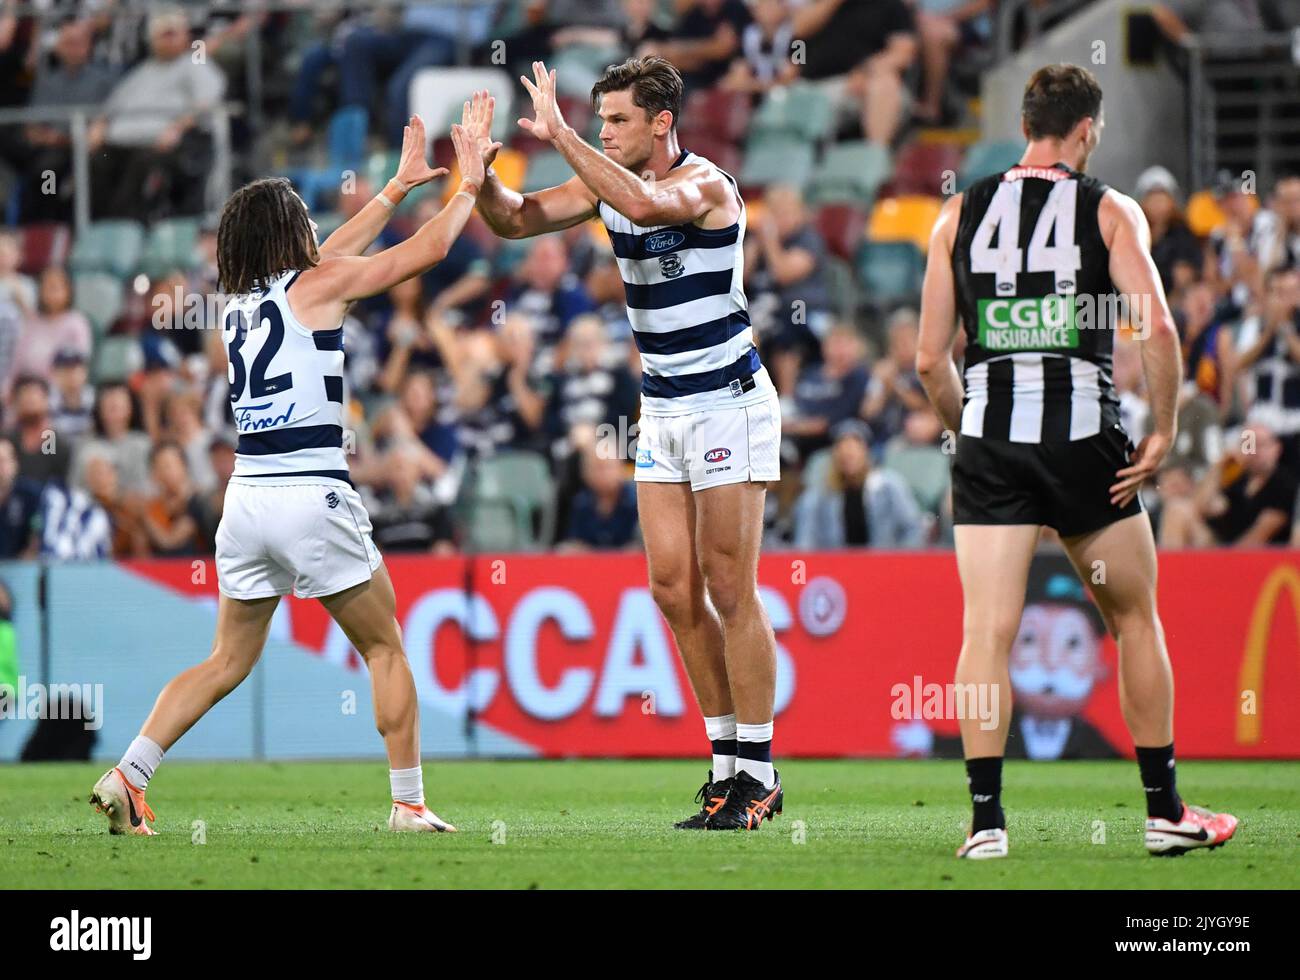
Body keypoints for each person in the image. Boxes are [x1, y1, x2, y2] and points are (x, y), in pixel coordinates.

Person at [90, 113, 485, 836]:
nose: (312, 225)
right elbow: (427, 251)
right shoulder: (319, 284)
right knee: (383, 646)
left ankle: (128, 773)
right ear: (287, 233)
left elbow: (332, 255)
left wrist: (395, 187)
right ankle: (407, 804)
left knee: (223, 661)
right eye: (301, 216)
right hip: (311, 491)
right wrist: (471, 185)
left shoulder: (242, 304)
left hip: (245, 500)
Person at [915, 64, 1237, 859]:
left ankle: (986, 825)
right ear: (1086, 129)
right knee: (1132, 618)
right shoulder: (1109, 208)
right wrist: (1160, 431)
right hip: (1085, 439)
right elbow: (1156, 326)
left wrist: (975, 429)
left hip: (993, 439)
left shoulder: (957, 214)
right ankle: (1165, 812)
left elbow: (928, 361)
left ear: (1028, 124)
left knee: (985, 632)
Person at [465, 58, 784, 830]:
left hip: (727, 404)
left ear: (661, 123)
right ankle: (722, 765)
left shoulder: (704, 185)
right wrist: (478, 175)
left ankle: (761, 773)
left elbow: (642, 201)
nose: (605, 132)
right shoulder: (609, 185)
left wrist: (567, 135)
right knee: (673, 591)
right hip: (664, 408)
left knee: (730, 587)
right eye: (599, 120)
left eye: (616, 121)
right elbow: (515, 219)